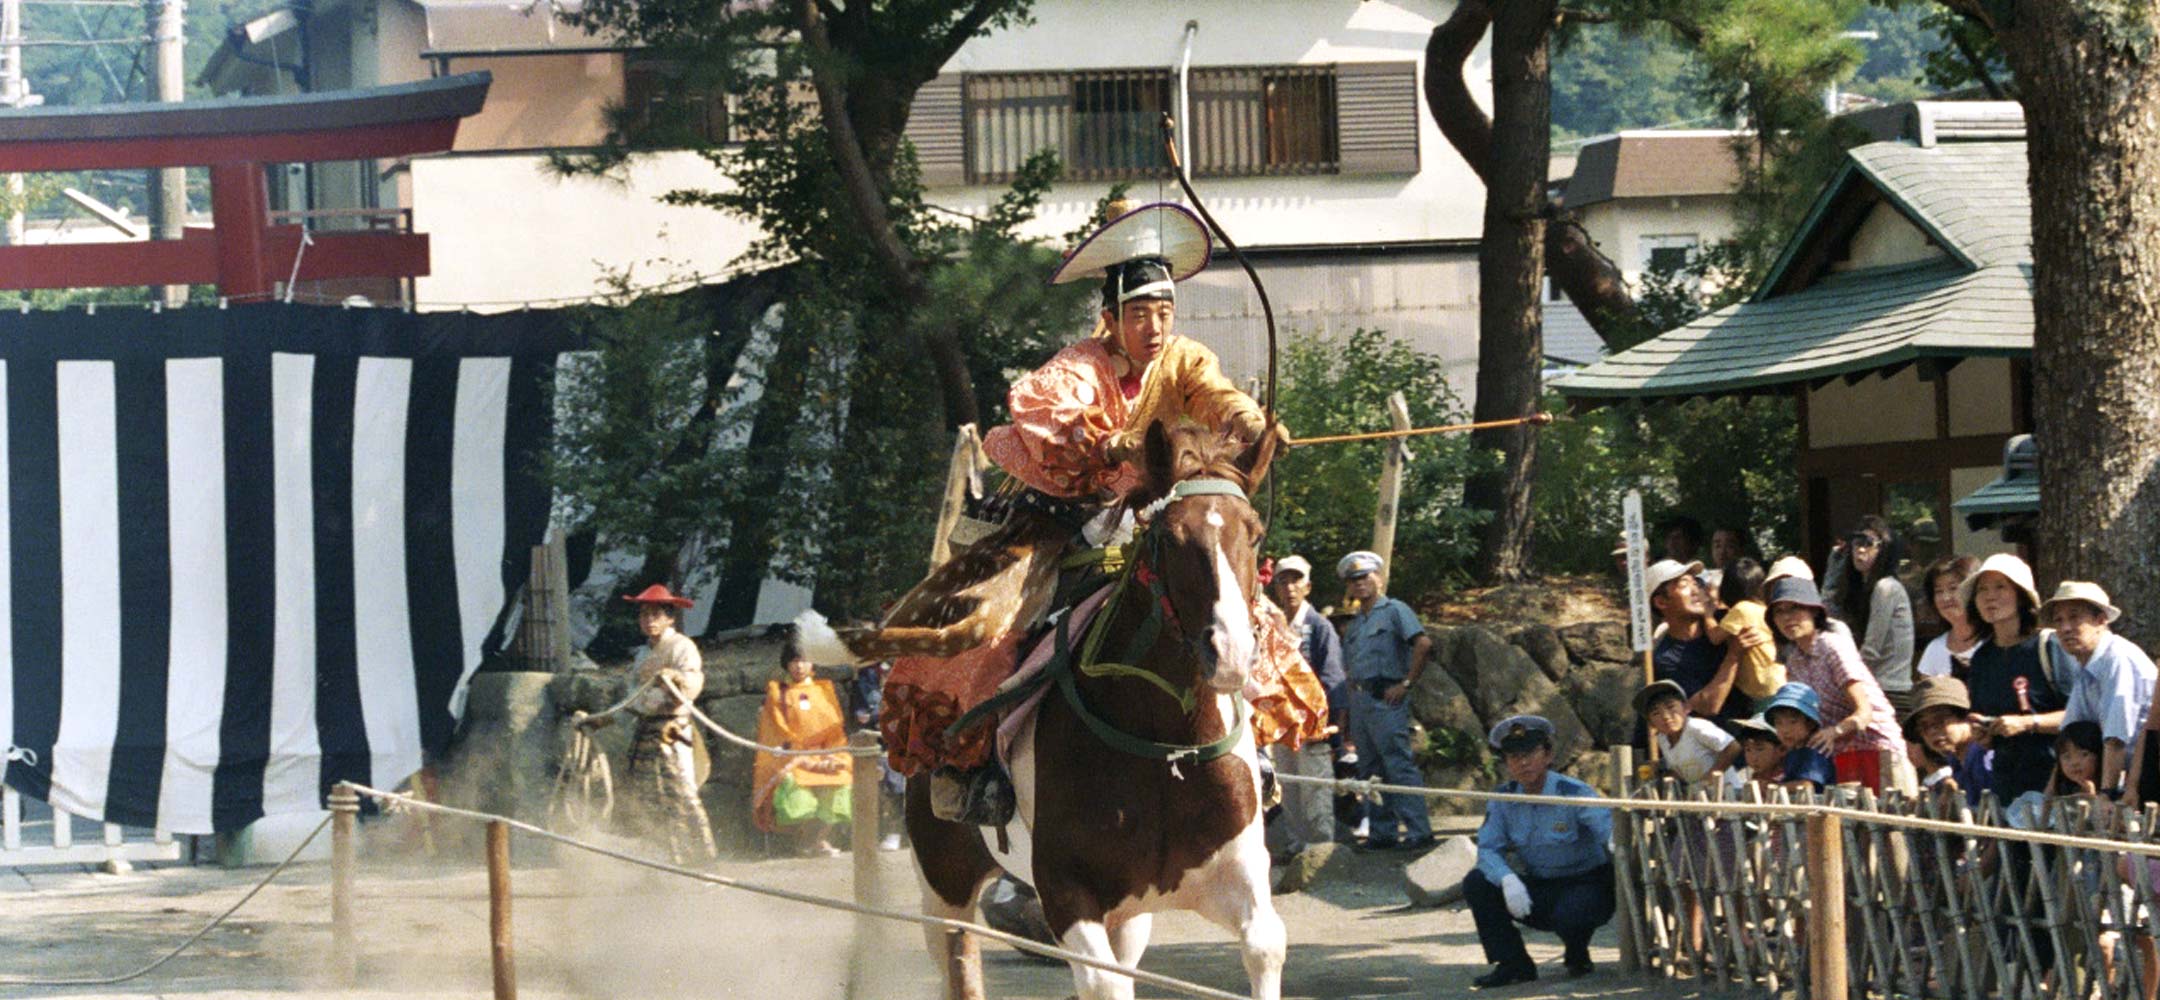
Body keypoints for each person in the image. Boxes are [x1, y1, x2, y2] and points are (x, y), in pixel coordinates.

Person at [804, 202, 1326, 821]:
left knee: (1241, 608)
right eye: (1139, 314)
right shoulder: (1080, 363)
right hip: (1056, 522)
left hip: (1147, 519)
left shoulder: (1184, 359)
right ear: (1110, 318)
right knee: (986, 626)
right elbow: (1050, 413)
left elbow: (1217, 395)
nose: (1154, 327)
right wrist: (1110, 442)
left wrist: (1250, 421)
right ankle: (968, 766)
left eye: (1164, 312)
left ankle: (1250, 751)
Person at [1460, 716, 1615, 988]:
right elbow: (1488, 849)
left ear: (1548, 755)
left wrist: (1614, 840)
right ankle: (1513, 964)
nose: (1523, 763)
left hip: (1586, 882)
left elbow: (1608, 831)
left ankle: (1577, 950)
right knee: (1477, 882)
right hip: (1541, 884)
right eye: (1514, 756)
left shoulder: (1572, 792)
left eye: (1530, 753)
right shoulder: (1504, 798)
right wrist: (1507, 879)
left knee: (1573, 912)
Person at [580, 584, 718, 864]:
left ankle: (700, 856)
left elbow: (693, 681)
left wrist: (676, 680)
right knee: (645, 794)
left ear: (669, 618)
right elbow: (632, 699)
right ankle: (661, 856)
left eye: (656, 615)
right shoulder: (643, 655)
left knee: (681, 791)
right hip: (645, 730)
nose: (649, 620)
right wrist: (601, 720)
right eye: (644, 615)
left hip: (672, 730)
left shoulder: (682, 647)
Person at [1766, 575, 1912, 792]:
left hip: (1878, 748)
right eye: (1779, 611)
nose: (1787, 617)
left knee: (1894, 812)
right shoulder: (1794, 660)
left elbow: (1864, 712)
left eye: (1795, 608)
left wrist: (1834, 732)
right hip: (1840, 756)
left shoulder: (1833, 646)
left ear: (1814, 612)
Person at [1339, 550, 1434, 851]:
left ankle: (1419, 831)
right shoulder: (1355, 624)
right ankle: (1382, 833)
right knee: (1370, 769)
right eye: (1353, 580)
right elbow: (1349, 670)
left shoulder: (1394, 610)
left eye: (1365, 576)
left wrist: (1406, 683)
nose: (1360, 583)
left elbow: (1423, 644)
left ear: (1378, 578)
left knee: (1398, 765)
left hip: (1386, 700)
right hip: (1361, 701)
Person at [1961, 553, 2065, 802]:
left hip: (2055, 783)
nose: (1990, 596)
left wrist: (2028, 723)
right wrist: (1984, 735)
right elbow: (1985, 719)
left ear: (2021, 596)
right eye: (1982, 589)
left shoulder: (2049, 646)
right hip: (2006, 784)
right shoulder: (1982, 658)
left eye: (2000, 587)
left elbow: (2081, 714)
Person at [1267, 554, 1346, 857]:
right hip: (1281, 723)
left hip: (1312, 724)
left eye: (1296, 581)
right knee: (1288, 788)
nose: (1289, 588)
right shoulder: (1274, 626)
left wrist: (1333, 726)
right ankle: (1295, 848)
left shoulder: (1319, 626)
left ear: (1308, 586)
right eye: (1283, 581)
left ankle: (1320, 851)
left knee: (1315, 788)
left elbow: (1333, 677)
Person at [2045, 582, 2156, 794]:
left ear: (2101, 620)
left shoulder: (2117, 659)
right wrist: (2048, 799)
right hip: (2134, 777)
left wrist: (2106, 795)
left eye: (2074, 617)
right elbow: (2069, 735)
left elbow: (2116, 739)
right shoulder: (2086, 667)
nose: (2065, 628)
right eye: (2058, 620)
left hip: (2149, 775)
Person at [754, 641, 853, 857]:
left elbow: (835, 731)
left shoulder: (824, 691)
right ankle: (804, 841)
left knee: (841, 783)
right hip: (792, 757)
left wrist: (833, 757)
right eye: (794, 661)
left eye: (804, 661)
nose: (799, 666)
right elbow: (776, 732)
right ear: (787, 664)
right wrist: (801, 757)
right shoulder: (778, 693)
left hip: (825, 755)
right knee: (796, 791)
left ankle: (818, 840)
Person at [1643, 559, 1751, 725]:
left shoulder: (1725, 624)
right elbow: (1708, 706)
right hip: (1718, 738)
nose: (1696, 591)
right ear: (1661, 602)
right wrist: (1734, 655)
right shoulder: (1665, 659)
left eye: (1696, 583)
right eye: (1684, 584)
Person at [1834, 517, 1916, 719]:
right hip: (1874, 686)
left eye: (1868, 543)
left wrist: (1843, 681)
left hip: (1890, 691)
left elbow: (1871, 650)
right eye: (1856, 543)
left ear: (1884, 549)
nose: (1860, 550)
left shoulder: (1886, 587)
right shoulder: (1861, 589)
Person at [1903, 675, 1993, 808]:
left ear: (1967, 718)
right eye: (1924, 726)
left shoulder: (1986, 757)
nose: (1932, 731)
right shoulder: (1955, 761)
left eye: (1940, 721)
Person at [1705, 558, 1782, 707]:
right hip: (1777, 680)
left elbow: (1715, 636)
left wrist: (1707, 614)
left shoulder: (1742, 608)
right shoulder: (1763, 609)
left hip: (1763, 686)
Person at [848, 660, 907, 852]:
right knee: (882, 775)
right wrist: (869, 716)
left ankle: (896, 831)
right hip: (874, 746)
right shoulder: (865, 678)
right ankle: (880, 832)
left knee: (896, 778)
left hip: (903, 745)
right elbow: (860, 716)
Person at [1639, 679, 1740, 785]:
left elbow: (1733, 747)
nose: (1666, 716)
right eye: (1656, 713)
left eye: (1671, 707)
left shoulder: (1696, 727)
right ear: (1651, 723)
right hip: (1699, 793)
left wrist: (1711, 776)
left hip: (1727, 789)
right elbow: (1680, 770)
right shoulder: (1662, 739)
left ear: (1686, 708)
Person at [1759, 684, 1840, 793]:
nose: (1785, 730)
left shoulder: (1814, 750)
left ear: (1810, 724)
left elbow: (1806, 786)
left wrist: (1774, 787)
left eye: (1793, 722)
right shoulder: (1793, 752)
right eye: (1779, 723)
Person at [1916, 555, 1982, 681]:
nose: (1945, 598)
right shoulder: (1934, 649)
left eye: (1953, 588)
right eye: (1939, 591)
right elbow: (1927, 691)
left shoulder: (1995, 642)